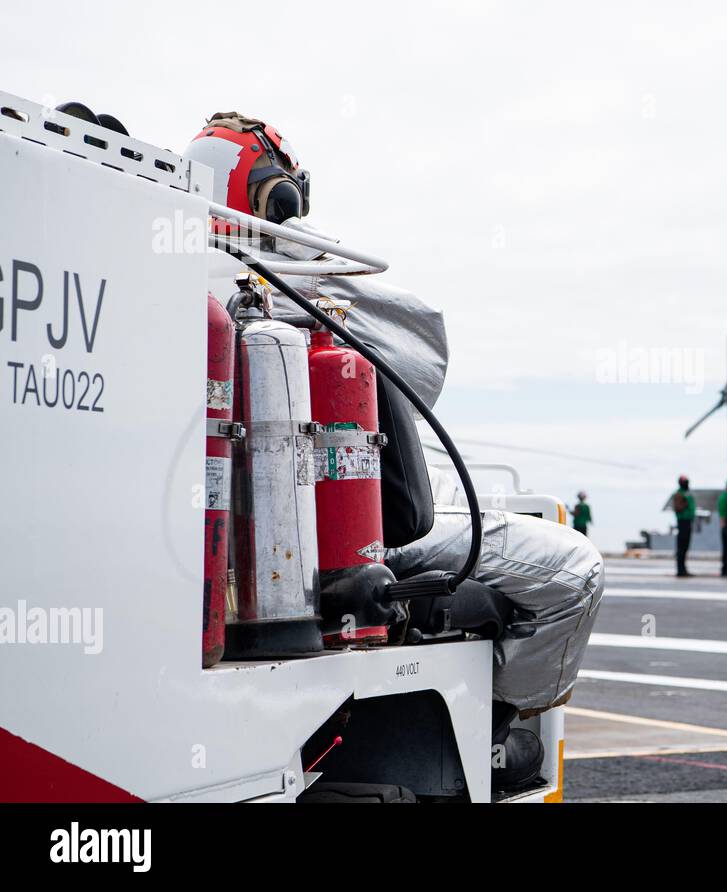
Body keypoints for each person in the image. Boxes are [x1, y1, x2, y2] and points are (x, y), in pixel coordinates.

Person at [184, 113, 604, 792]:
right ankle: (502, 736)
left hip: (221, 560)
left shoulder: (168, 287)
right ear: (275, 200)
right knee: (574, 570)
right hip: (343, 547)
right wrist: (304, 251)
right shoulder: (303, 279)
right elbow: (426, 356)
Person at [671, 475, 696, 577]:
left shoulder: (687, 494)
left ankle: (683, 569)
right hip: (682, 522)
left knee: (685, 547)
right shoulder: (679, 494)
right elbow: (678, 508)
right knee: (681, 548)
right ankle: (680, 570)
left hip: (688, 522)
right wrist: (684, 504)